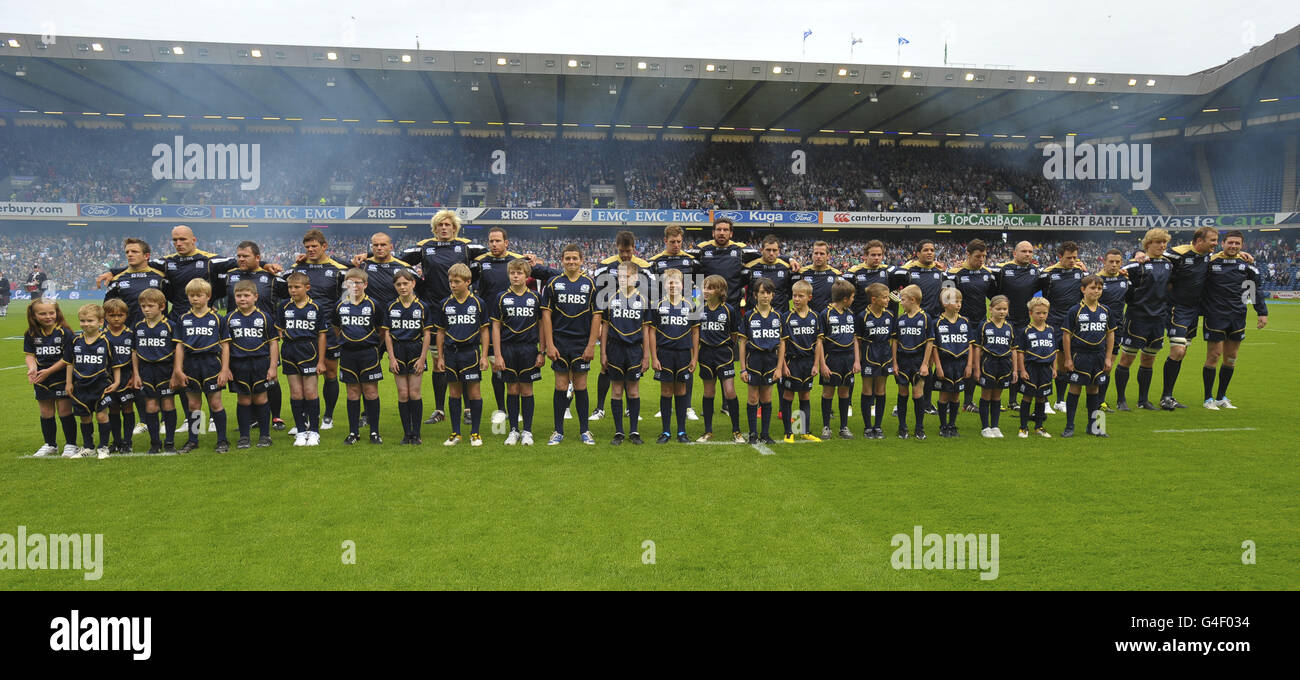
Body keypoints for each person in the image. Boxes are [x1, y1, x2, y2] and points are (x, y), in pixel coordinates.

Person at [390, 210, 488, 426]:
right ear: (434, 228)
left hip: (461, 311)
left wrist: (527, 258)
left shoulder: (468, 246)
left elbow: (493, 257)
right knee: (438, 363)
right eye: (440, 225)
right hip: (435, 311)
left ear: (455, 227)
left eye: (448, 224)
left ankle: (469, 409)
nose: (444, 228)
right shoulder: (424, 247)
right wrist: (419, 282)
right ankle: (439, 409)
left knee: (463, 359)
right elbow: (396, 261)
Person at [472, 226, 555, 427]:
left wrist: (537, 264)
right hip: (494, 325)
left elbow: (551, 274)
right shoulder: (481, 263)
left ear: (506, 242)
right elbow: (462, 278)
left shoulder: (518, 261)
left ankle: (517, 419)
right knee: (497, 368)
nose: (494, 244)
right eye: (491, 241)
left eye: (498, 241)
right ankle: (503, 409)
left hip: (521, 329)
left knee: (516, 379)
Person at [216, 240, 288, 431]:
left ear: (257, 257)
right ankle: (254, 419)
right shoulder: (230, 276)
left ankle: (276, 417)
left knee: (271, 378)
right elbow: (211, 293)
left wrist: (279, 323)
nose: (241, 259)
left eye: (245, 256)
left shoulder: (270, 276)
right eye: (238, 256)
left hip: (264, 337)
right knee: (245, 380)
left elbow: (290, 298)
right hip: (238, 336)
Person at [288, 229, 349, 431]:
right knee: (304, 373)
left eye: (315, 246)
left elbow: (349, 299)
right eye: (307, 247)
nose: (311, 250)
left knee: (330, 372)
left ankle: (328, 416)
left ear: (324, 247)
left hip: (329, 330)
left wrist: (339, 326)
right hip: (302, 330)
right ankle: (304, 417)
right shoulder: (298, 267)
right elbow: (281, 280)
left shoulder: (339, 269)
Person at [540, 244, 601, 446]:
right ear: (562, 260)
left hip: (581, 344)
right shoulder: (552, 283)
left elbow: (596, 316)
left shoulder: (590, 284)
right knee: (560, 386)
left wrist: (591, 345)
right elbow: (546, 316)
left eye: (575, 258)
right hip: (560, 343)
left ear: (582, 260)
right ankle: (558, 431)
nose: (571, 262)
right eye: (568, 258)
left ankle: (585, 430)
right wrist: (549, 344)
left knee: (581, 386)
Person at [591, 230, 654, 423]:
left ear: (634, 248)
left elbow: (652, 293)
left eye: (628, 251)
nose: (625, 254)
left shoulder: (644, 266)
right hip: (611, 321)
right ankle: (599, 408)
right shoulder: (605, 265)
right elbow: (597, 294)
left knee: (631, 371)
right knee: (606, 369)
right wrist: (601, 324)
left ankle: (629, 409)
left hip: (633, 320)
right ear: (616, 248)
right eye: (622, 251)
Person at [1201, 230, 1268, 409]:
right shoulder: (1210, 262)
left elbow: (1254, 289)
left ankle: (1221, 397)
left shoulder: (1246, 265)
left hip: (1238, 316)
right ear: (1223, 243)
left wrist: (1262, 312)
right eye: (1230, 242)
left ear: (1242, 245)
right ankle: (1208, 399)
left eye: (1237, 243)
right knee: (1214, 355)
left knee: (1231, 358)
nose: (1233, 246)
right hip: (1215, 316)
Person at [170, 278, 231, 454]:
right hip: (191, 365)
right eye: (191, 295)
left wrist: (225, 369)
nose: (194, 299)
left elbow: (225, 346)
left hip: (211, 364)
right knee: (193, 405)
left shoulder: (217, 319)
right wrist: (178, 369)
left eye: (198, 295)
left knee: (215, 403)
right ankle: (193, 439)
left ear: (208, 296)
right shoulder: (183, 319)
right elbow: (180, 346)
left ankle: (222, 440)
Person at [1115, 228, 1173, 411]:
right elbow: (1115, 272)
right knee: (1126, 359)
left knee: (1148, 360)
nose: (1162, 246)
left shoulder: (1169, 264)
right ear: (1148, 244)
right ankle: (1121, 400)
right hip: (1137, 318)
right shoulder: (1135, 266)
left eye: (1164, 242)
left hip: (1158, 319)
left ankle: (1143, 400)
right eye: (1158, 242)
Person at [435, 263, 491, 446]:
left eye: (457, 281)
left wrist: (484, 356)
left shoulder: (478, 303)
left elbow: (484, 331)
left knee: (474, 392)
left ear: (468, 282)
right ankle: (455, 433)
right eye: (450, 281)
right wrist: (441, 356)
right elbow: (441, 332)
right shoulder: (444, 304)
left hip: (471, 353)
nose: (452, 285)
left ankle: (475, 433)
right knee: (454, 393)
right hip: (451, 354)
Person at [492, 259, 545, 446]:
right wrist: (497, 355)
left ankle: (527, 431)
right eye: (512, 272)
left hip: (529, 349)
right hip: (508, 349)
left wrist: (542, 351)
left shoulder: (536, 297)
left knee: (527, 389)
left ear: (527, 275)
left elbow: (542, 325)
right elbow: (496, 327)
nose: (515, 275)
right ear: (508, 275)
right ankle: (514, 430)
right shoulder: (501, 297)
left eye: (519, 272)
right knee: (512, 389)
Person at [601, 261, 650, 445]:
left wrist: (646, 355)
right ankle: (619, 431)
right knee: (616, 390)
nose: (623, 279)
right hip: (614, 350)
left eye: (627, 276)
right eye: (620, 276)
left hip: (634, 351)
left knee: (633, 391)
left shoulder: (643, 299)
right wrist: (603, 354)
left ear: (635, 278)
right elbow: (605, 327)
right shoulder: (610, 298)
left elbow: (646, 330)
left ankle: (634, 431)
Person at [334, 268, 385, 445]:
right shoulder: (340, 305)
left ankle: (374, 432)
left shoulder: (373, 305)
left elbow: (381, 331)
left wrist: (373, 346)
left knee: (371, 392)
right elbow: (336, 327)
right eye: (350, 282)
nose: (354, 286)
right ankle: (353, 432)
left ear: (365, 284)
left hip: (368, 353)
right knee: (352, 392)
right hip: (347, 354)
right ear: (345, 285)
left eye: (358, 282)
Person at [648, 268, 698, 443]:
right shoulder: (658, 305)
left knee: (682, 390)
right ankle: (666, 431)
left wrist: (695, 357)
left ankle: (682, 431)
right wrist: (654, 357)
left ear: (682, 284)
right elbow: (652, 333)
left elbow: (695, 333)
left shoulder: (691, 305)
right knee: (666, 390)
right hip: (664, 354)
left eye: (676, 282)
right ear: (664, 284)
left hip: (684, 354)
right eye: (669, 282)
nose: (672, 285)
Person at [226, 280, 278, 449]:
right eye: (239, 296)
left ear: (255, 297)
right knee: (244, 400)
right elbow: (225, 346)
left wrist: (272, 366)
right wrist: (225, 368)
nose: (242, 299)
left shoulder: (265, 317)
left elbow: (273, 342)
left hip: (260, 363)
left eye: (246, 295)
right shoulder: (229, 318)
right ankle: (244, 436)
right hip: (238, 364)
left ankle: (265, 435)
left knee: (261, 398)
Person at [278, 272, 328, 447]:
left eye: (296, 287)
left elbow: (322, 336)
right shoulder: (283, 306)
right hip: (290, 352)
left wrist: (321, 361)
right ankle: (300, 431)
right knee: (296, 393)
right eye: (290, 287)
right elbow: (280, 330)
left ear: (307, 288)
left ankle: (314, 431)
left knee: (311, 393)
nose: (292, 290)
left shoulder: (316, 307)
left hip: (310, 351)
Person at [1061, 275, 1115, 437]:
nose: (1096, 291)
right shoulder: (1075, 310)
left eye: (1099, 288)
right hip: (1080, 356)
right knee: (1075, 388)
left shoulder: (1105, 310)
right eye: (1092, 288)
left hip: (1098, 356)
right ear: (1083, 289)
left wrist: (1108, 357)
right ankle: (1069, 426)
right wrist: (1068, 358)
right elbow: (1066, 336)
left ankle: (1094, 426)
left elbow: (1110, 334)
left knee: (1094, 389)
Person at [64, 303, 120, 458]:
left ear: (101, 322)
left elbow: (115, 364)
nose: (86, 324)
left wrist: (116, 382)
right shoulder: (75, 341)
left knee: (102, 415)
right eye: (82, 321)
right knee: (84, 416)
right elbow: (70, 363)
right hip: (80, 386)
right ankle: (88, 447)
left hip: (101, 385)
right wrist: (68, 383)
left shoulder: (107, 341)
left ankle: (103, 447)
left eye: (90, 320)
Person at [990, 241, 1040, 412]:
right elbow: (991, 291)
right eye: (1024, 251)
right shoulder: (1001, 270)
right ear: (1014, 253)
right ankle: (988, 397)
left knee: (1018, 362)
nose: (1028, 254)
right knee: (996, 360)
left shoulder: (1035, 271)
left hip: (1024, 323)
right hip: (1004, 322)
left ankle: (1012, 400)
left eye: (1030, 251)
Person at [946, 239, 995, 413]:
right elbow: (946, 299)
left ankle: (968, 402)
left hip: (980, 324)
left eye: (984, 256)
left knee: (976, 364)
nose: (981, 259)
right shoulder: (953, 273)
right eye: (977, 256)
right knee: (954, 361)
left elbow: (995, 298)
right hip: (958, 326)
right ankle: (947, 399)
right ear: (967, 255)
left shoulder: (988, 274)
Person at [23, 298, 76, 457]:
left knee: (64, 411)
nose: (48, 316)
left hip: (61, 377)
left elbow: (67, 359)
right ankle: (50, 444)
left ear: (57, 313)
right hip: (41, 379)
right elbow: (29, 355)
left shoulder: (64, 332)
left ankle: (71, 444)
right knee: (46, 412)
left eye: (51, 312)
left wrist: (48, 371)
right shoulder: (31, 334)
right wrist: (32, 368)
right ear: (34, 315)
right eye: (42, 313)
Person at [384, 270, 432, 444]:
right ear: (395, 287)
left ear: (413, 284)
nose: (402, 287)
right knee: (403, 393)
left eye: (406, 283)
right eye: (399, 284)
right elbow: (387, 334)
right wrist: (391, 358)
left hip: (415, 350)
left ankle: (416, 433)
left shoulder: (422, 306)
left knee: (414, 392)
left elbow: (427, 334)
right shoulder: (391, 307)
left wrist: (422, 358)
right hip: (398, 350)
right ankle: (407, 433)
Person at [695, 275, 745, 443]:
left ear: (720, 291)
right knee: (709, 392)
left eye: (710, 288)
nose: (706, 291)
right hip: (706, 355)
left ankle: (736, 431)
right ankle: (708, 431)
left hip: (724, 354)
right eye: (705, 287)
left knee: (730, 391)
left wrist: (727, 347)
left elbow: (734, 334)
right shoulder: (699, 309)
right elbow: (695, 334)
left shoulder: (729, 310)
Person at [1038, 241, 1086, 413]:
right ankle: (1044, 401)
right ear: (1059, 257)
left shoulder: (1080, 272)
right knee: (1047, 362)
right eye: (1068, 258)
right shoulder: (1047, 274)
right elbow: (1038, 297)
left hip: (1071, 324)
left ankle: (1060, 400)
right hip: (1051, 324)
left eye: (1075, 257)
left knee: (1066, 363)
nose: (1072, 260)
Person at [130, 288, 179, 453]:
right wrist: (135, 374)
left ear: (162, 307)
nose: (146, 309)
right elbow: (134, 352)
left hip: (165, 370)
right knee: (150, 406)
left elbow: (177, 351)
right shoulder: (138, 327)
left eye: (150, 306)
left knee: (167, 403)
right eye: (143, 306)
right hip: (145, 371)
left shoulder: (170, 326)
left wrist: (175, 373)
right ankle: (155, 443)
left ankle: (170, 442)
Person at [738, 278, 782, 445]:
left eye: (768, 293)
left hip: (771, 360)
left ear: (772, 295)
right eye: (762, 292)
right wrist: (743, 368)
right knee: (753, 398)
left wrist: (779, 367)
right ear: (755, 295)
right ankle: (753, 433)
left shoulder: (778, 316)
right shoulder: (749, 315)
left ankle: (765, 433)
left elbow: (782, 344)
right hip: (754, 360)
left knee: (767, 398)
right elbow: (742, 343)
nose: (765, 296)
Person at [817, 280, 859, 439]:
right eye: (853, 297)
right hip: (831, 358)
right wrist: (822, 364)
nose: (854, 300)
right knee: (828, 392)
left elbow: (854, 338)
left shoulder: (850, 314)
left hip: (848, 359)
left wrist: (856, 360)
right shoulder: (825, 314)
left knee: (844, 392)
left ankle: (843, 427)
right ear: (845, 298)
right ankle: (826, 426)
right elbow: (820, 341)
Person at [780, 280, 820, 443]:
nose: (796, 299)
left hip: (808, 362)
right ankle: (789, 431)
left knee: (805, 395)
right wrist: (783, 365)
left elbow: (818, 343)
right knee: (789, 395)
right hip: (792, 362)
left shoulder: (815, 317)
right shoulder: (787, 317)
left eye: (800, 296)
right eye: (794, 295)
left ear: (809, 297)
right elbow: (782, 343)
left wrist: (816, 364)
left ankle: (804, 430)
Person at [930, 288, 974, 438]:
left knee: (956, 396)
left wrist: (969, 365)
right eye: (956, 301)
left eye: (960, 301)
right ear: (945, 303)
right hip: (945, 363)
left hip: (961, 364)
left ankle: (952, 425)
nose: (959, 304)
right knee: (944, 395)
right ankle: (943, 426)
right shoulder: (937, 323)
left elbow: (970, 344)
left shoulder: (964, 321)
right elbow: (934, 347)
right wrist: (938, 367)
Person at [688, 217, 759, 309]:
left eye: (725, 230)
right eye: (718, 230)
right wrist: (695, 304)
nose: (722, 233)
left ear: (731, 233)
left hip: (733, 306)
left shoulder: (741, 249)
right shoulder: (701, 248)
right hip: (706, 306)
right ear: (713, 233)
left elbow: (765, 257)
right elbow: (683, 261)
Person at [891, 285, 932, 440]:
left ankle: (919, 428)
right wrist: (894, 363)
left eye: (903, 299)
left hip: (918, 361)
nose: (901, 302)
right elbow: (894, 341)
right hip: (902, 361)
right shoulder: (900, 319)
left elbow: (929, 343)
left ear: (913, 300)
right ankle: (902, 428)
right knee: (902, 392)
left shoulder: (925, 318)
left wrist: (925, 364)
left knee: (917, 393)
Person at [1015, 298, 1057, 438]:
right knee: (1027, 397)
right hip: (1031, 367)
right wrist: (1022, 370)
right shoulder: (1025, 331)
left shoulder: (1051, 330)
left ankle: (1039, 426)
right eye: (1038, 313)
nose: (1041, 316)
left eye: (1044, 313)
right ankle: (1023, 427)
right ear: (1030, 313)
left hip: (1046, 369)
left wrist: (1054, 368)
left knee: (1041, 398)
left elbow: (1054, 351)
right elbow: (1021, 352)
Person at [856, 282, 894, 439]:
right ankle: (867, 426)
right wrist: (857, 360)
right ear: (873, 299)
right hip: (868, 355)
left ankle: (877, 426)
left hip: (884, 356)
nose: (887, 300)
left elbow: (893, 339)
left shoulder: (890, 316)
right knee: (867, 390)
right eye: (884, 297)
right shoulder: (862, 316)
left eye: (887, 297)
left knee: (881, 390)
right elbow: (857, 341)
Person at [102, 238, 169, 326]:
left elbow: (175, 301)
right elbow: (108, 309)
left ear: (146, 256)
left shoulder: (161, 277)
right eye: (127, 252)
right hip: (128, 334)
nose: (130, 254)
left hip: (155, 333)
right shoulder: (117, 279)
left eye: (134, 252)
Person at [974, 296, 1015, 438]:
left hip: (1004, 364)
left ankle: (995, 426)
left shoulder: (1009, 327)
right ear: (990, 309)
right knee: (986, 394)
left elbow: (1014, 349)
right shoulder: (984, 325)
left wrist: (1015, 369)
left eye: (1005, 309)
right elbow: (978, 348)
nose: (1002, 312)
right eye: (998, 309)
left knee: (997, 396)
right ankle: (985, 427)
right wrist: (977, 368)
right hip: (988, 363)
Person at [1095, 249, 1130, 411]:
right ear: (1104, 262)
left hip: (1117, 329)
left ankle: (1100, 401)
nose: (1114, 265)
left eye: (1117, 262)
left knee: (1108, 366)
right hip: (1097, 329)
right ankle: (1091, 399)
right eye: (1111, 262)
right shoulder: (1096, 280)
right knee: (1095, 366)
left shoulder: (1125, 280)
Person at [102, 299, 136, 453]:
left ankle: (127, 442)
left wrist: (135, 375)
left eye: (120, 315)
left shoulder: (131, 334)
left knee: (128, 408)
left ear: (126, 316)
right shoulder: (102, 336)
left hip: (127, 377)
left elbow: (137, 357)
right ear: (105, 316)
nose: (116, 318)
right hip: (108, 379)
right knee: (113, 409)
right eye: (112, 315)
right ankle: (116, 441)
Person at [741, 234, 796, 311]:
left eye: (774, 250)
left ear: (778, 251)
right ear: (761, 250)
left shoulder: (786, 267)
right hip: (755, 316)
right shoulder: (750, 266)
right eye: (768, 250)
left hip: (780, 314)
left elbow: (790, 291)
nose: (771, 253)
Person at [847, 240, 894, 318]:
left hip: (882, 320)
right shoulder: (854, 272)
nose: (876, 258)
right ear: (865, 256)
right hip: (861, 319)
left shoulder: (888, 271)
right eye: (873, 255)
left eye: (879, 255)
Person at [796, 241, 847, 313]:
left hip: (828, 318)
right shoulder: (802, 273)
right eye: (816, 253)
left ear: (828, 256)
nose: (818, 256)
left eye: (822, 254)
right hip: (807, 318)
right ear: (812, 255)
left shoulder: (836, 274)